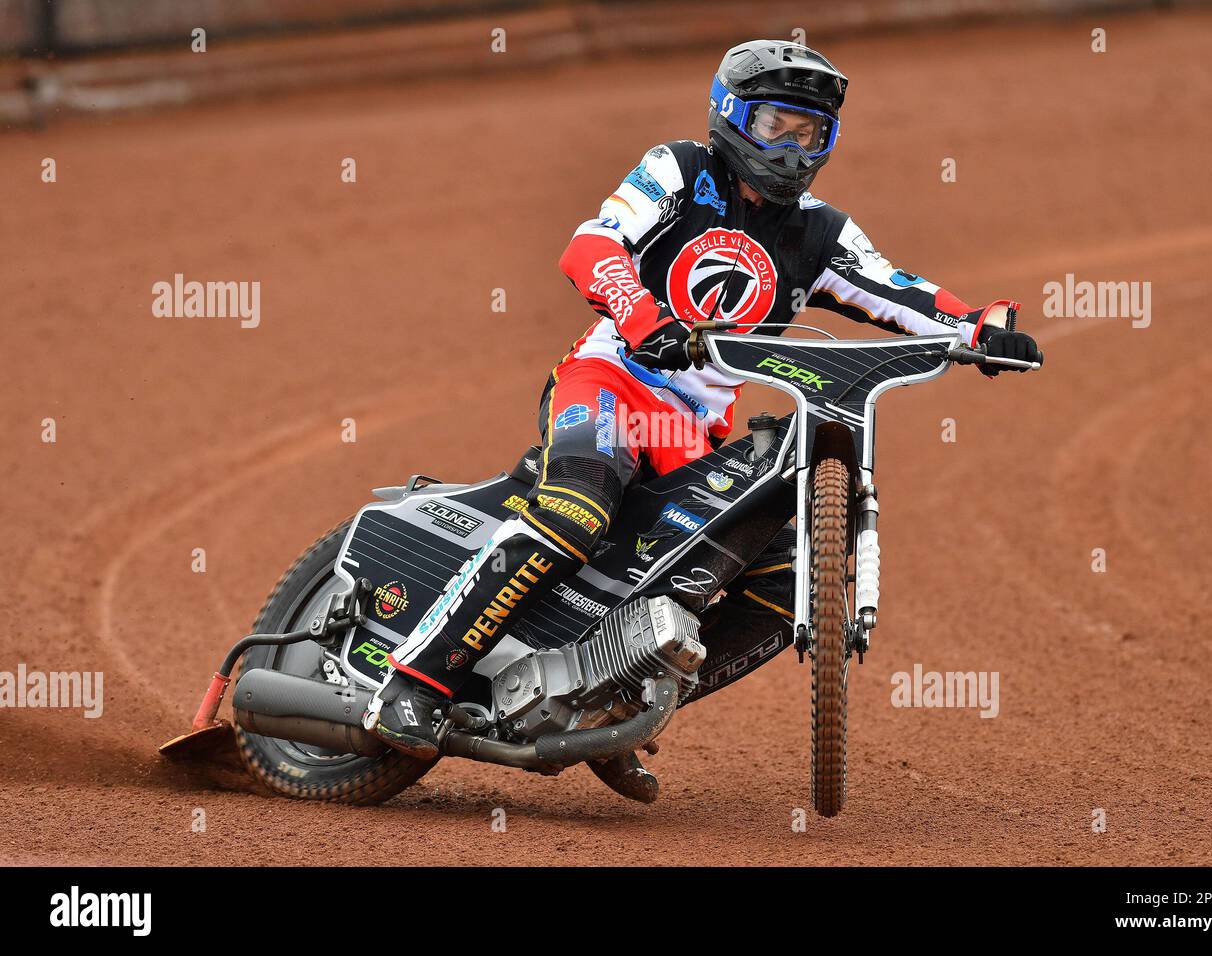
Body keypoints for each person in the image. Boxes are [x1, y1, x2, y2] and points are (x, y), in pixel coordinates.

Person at [365, 39, 1042, 757]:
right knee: (576, 508)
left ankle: (610, 711)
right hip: (612, 382)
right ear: (732, 116)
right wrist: (641, 315)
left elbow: (898, 291)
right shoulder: (679, 170)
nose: (791, 149)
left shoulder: (820, 231)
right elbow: (591, 245)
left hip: (690, 432)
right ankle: (413, 683)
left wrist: (978, 325)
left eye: (809, 132)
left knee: (787, 584)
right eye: (775, 125)